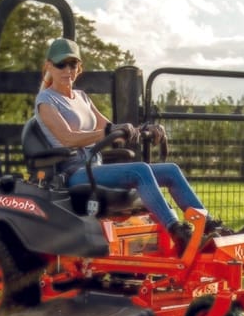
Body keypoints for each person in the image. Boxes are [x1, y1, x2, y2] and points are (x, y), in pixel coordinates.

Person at [33, 37, 222, 253]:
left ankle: (207, 228)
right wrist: (107, 132)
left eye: (72, 64)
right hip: (75, 172)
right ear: (49, 66)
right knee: (139, 171)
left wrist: (143, 130)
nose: (67, 70)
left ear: (79, 67)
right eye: (61, 64)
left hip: (96, 168)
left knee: (171, 170)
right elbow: (68, 138)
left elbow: (113, 128)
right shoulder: (46, 101)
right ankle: (178, 233)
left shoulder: (82, 97)